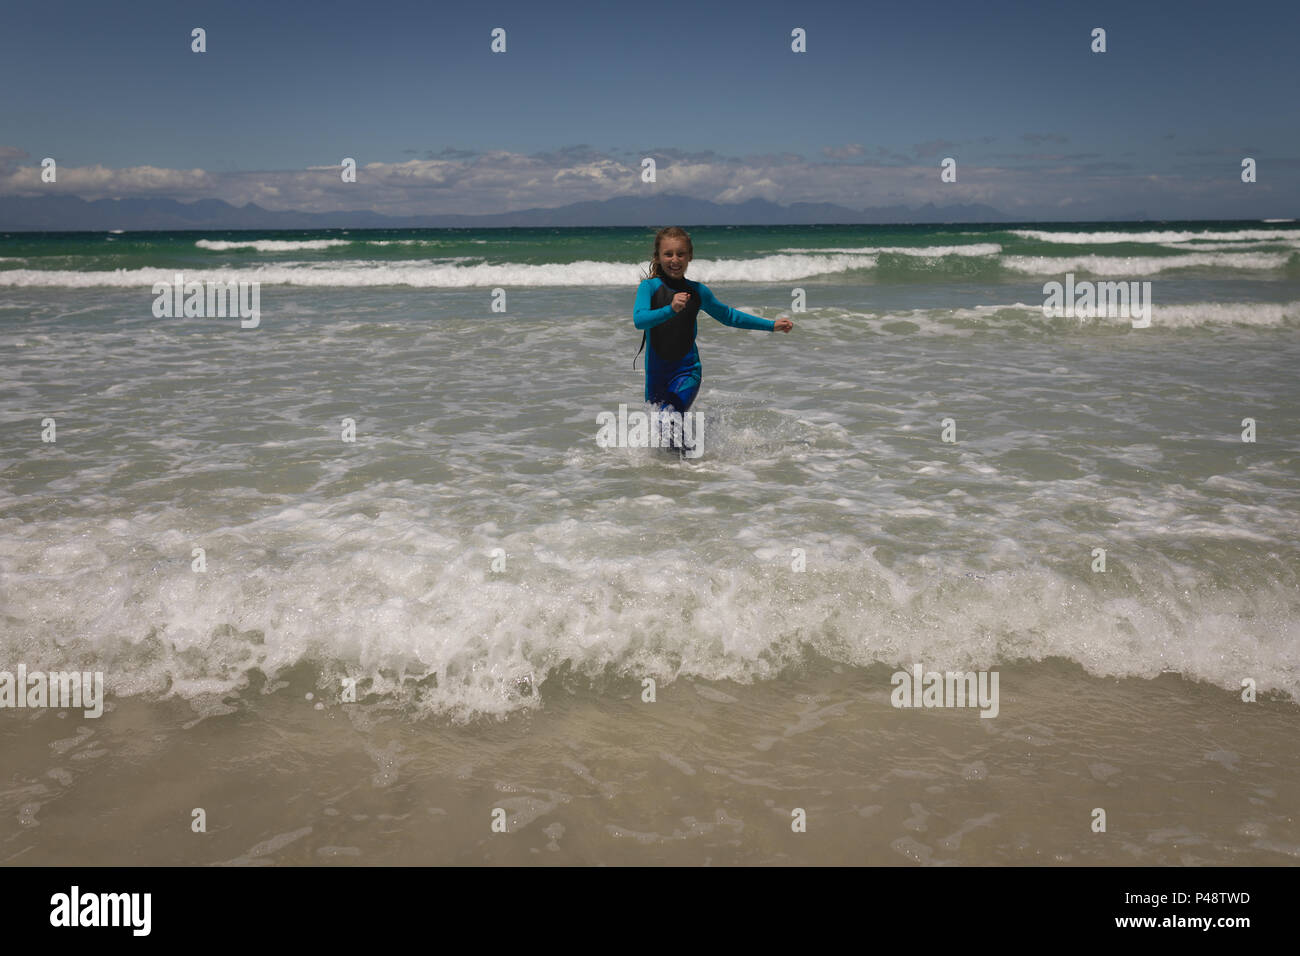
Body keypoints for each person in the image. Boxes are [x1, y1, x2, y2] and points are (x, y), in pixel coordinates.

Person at [632, 226, 793, 453]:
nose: (674, 259)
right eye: (668, 254)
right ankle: (680, 476)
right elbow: (640, 320)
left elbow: (728, 316)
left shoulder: (697, 292)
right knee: (664, 432)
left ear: (690, 257)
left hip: (686, 372)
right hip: (656, 375)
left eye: (681, 254)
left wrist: (770, 325)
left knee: (668, 419)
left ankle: (685, 470)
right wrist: (671, 309)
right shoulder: (648, 288)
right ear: (658, 256)